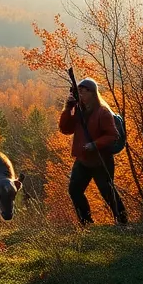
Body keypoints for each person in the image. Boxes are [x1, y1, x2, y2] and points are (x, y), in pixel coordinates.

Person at [58, 77, 128, 226]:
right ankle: (86, 223)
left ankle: (122, 221)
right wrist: (68, 108)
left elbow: (112, 135)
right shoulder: (79, 111)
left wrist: (94, 145)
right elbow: (65, 129)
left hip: (101, 160)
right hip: (83, 160)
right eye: (79, 92)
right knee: (75, 191)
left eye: (83, 92)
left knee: (107, 192)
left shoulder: (103, 112)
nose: (80, 95)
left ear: (92, 93)